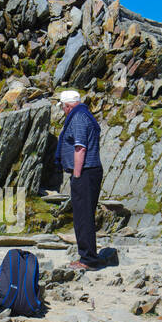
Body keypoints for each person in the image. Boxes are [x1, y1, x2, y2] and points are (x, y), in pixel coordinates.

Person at [55, 90, 104, 270]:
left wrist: (76, 175)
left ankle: (88, 259)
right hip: (88, 172)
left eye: (63, 107)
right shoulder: (84, 115)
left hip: (85, 172)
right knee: (84, 215)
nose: (63, 110)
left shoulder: (78, 118)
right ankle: (88, 256)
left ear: (67, 106)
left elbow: (80, 148)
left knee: (83, 217)